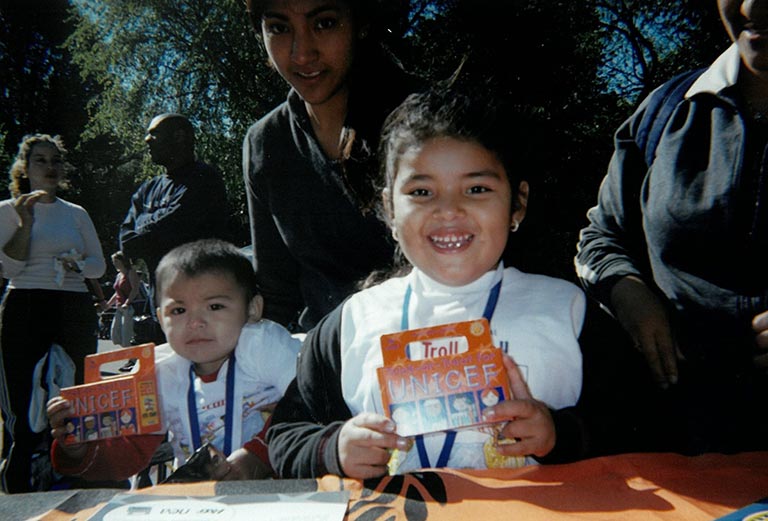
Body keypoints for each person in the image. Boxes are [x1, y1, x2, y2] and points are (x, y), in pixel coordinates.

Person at [266, 87, 587, 479]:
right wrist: (333, 449)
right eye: (421, 192)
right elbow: (284, 436)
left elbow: (640, 421)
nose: (449, 210)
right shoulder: (353, 323)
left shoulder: (567, 310)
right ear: (389, 209)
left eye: (477, 189)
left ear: (517, 203)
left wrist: (559, 434)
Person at [575, 0, 768, 455]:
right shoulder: (665, 111)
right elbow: (600, 238)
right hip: (674, 439)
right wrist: (626, 292)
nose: (750, 5)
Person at [47, 239, 301, 483]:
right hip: (202, 499)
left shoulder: (263, 344)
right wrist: (80, 449)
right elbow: (130, 454)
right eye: (179, 310)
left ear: (252, 308)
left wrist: (258, 454)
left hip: (284, 493)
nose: (195, 322)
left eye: (215, 306)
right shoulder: (161, 373)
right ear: (160, 319)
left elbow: (309, 402)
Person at [243, 0, 421, 331]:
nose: (301, 53)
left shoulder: (428, 120)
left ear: (359, 25)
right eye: (279, 28)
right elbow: (276, 292)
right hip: (323, 350)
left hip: (434, 344)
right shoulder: (266, 142)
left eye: (324, 23)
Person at [0, 134, 106, 493]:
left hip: (73, 307)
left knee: (76, 394)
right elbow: (9, 268)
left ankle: (73, 473)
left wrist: (78, 266)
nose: (50, 167)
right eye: (40, 161)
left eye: (55, 160)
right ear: (25, 168)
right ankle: (19, 484)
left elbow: (99, 266)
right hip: (25, 304)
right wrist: (25, 224)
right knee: (22, 401)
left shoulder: (77, 213)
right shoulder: (7, 210)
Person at [119, 113, 230, 318]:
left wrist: (144, 225)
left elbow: (175, 227)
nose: (147, 140)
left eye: (154, 133)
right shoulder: (148, 188)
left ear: (179, 136)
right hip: (161, 305)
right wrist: (155, 227)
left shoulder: (203, 179)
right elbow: (127, 241)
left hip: (200, 303)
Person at [103, 251, 141, 347]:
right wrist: (108, 305)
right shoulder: (119, 275)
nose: (114, 263)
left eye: (116, 261)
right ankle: (127, 350)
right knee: (115, 334)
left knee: (126, 335)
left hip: (129, 307)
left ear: (123, 261)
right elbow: (117, 293)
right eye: (113, 261)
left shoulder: (131, 272)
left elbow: (135, 289)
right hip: (119, 307)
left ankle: (130, 354)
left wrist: (127, 303)